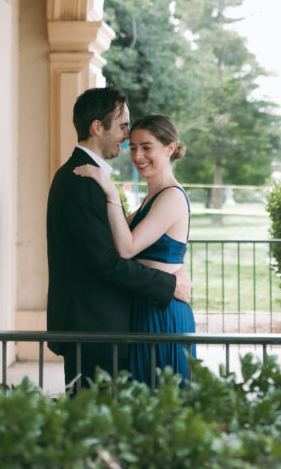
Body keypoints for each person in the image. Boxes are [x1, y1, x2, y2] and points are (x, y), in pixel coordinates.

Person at [46, 87, 192, 392]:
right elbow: (108, 260)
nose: (127, 139)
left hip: (120, 321)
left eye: (145, 146)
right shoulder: (82, 181)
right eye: (124, 127)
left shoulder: (86, 177)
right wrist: (168, 284)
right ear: (98, 127)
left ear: (170, 148)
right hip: (93, 326)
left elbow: (114, 249)